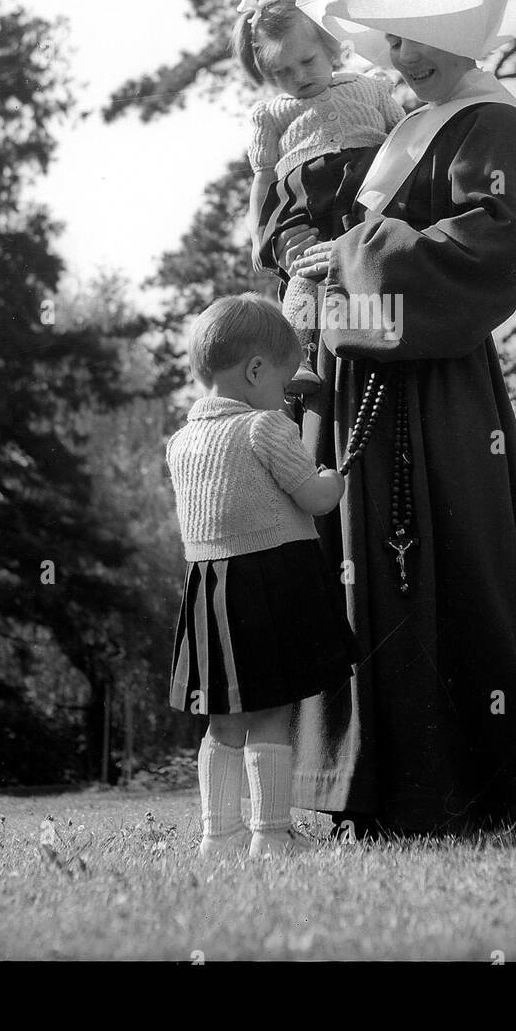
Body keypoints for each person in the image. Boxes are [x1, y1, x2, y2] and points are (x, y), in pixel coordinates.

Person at [277, 0, 516, 837]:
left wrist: (344, 258)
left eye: (425, 40)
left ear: (461, 34)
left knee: (449, 563)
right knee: (361, 572)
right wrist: (317, 255)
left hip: (437, 382)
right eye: (396, 42)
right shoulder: (412, 122)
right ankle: (377, 791)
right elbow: (347, 232)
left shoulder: (488, 123)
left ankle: (482, 786)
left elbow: (486, 251)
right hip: (360, 368)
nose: (407, 58)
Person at [165, 294, 357, 858]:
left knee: (222, 720)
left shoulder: (181, 443)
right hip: (272, 584)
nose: (285, 394)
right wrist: (336, 474)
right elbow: (316, 499)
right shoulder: (263, 428)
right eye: (281, 380)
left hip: (210, 592)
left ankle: (216, 836)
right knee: (272, 712)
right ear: (254, 371)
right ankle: (271, 836)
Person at [233, 0, 405, 393]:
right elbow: (264, 178)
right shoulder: (272, 116)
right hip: (310, 206)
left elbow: (404, 137)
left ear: (330, 47)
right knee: (305, 275)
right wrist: (259, 235)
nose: (299, 77)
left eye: (307, 61)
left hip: (370, 194)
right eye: (281, 73)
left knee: (373, 259)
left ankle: (389, 324)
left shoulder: (371, 87)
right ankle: (296, 357)